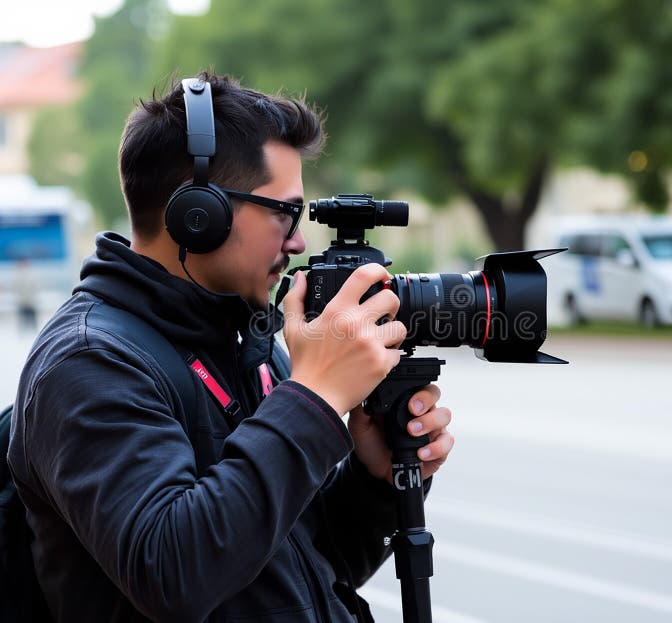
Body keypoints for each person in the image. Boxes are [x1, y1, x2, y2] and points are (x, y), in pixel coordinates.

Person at [7, 73, 454, 622]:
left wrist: (374, 482)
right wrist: (313, 398)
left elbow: (296, 573)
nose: (297, 241)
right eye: (283, 213)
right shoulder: (89, 362)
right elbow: (173, 573)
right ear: (200, 214)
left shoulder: (243, 341)